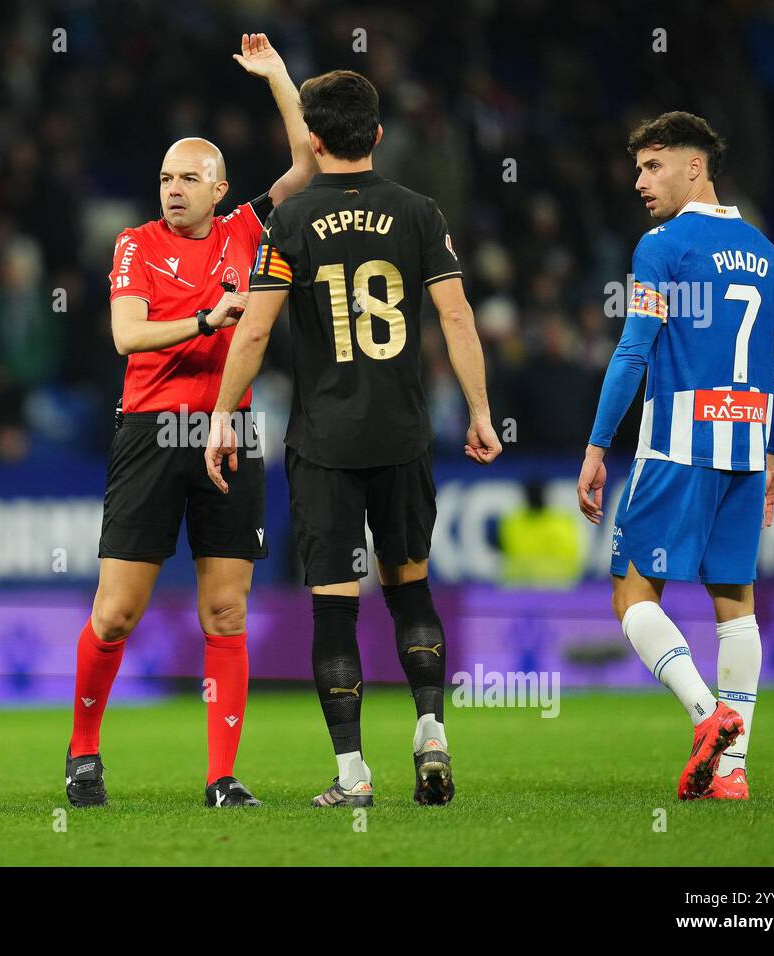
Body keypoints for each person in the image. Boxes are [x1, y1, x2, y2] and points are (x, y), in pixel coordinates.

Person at [205, 70, 502, 807]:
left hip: (325, 443)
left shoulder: (291, 221)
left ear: (312, 139)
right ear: (375, 135)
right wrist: (480, 412)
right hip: (402, 435)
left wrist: (220, 414)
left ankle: (353, 775)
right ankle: (431, 730)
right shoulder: (419, 212)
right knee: (411, 590)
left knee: (335, 607)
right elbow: (459, 319)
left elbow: (257, 327)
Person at [66, 35, 316, 809]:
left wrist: (278, 78)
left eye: (188, 178)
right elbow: (127, 335)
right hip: (149, 430)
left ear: (220, 188)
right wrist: (208, 318)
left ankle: (221, 775)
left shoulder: (247, 230)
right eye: (166, 177)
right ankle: (82, 751)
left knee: (226, 608)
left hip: (229, 432)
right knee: (116, 612)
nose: (172, 189)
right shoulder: (135, 244)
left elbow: (307, 164)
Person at [576, 111, 774, 801]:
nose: (639, 180)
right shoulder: (768, 254)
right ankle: (733, 776)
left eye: (654, 165)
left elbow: (634, 349)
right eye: (638, 167)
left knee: (631, 595)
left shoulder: (663, 246)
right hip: (745, 443)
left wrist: (595, 445)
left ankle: (709, 716)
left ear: (696, 166)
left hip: (676, 442)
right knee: (736, 601)